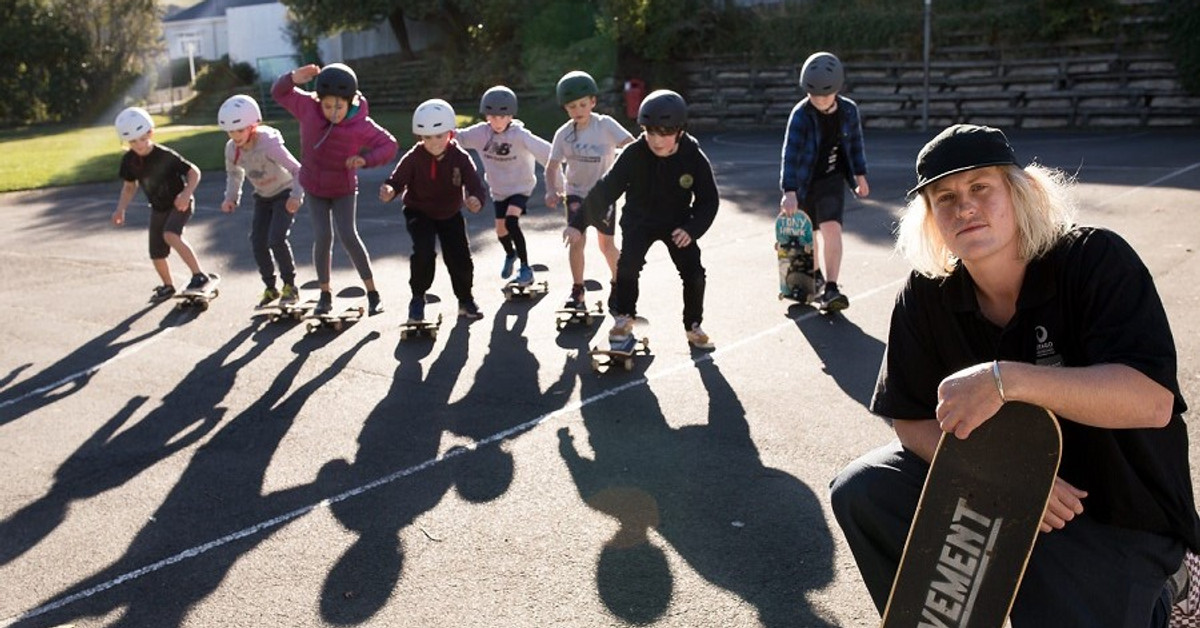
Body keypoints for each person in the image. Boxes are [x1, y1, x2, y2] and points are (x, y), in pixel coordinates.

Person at [829, 124, 1200, 627]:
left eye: (981, 187)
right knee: (866, 490)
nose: (964, 207)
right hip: (1011, 498)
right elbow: (911, 419)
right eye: (945, 197)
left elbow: (1150, 401)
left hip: (1121, 513)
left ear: (1019, 192)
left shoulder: (1094, 260)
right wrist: (1010, 481)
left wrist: (1006, 378)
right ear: (931, 219)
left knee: (1049, 588)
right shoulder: (926, 295)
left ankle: (1167, 589)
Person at [564, 90, 719, 350]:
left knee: (694, 273)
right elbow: (605, 190)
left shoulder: (693, 157)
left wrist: (692, 229)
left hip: (677, 223)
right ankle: (624, 318)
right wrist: (577, 223)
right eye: (650, 132)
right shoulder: (634, 154)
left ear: (680, 130)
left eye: (664, 133)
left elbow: (708, 201)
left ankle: (693, 325)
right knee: (627, 267)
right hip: (639, 221)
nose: (656, 140)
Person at [272, 62, 397, 316]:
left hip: (343, 189)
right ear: (318, 100)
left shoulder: (360, 124)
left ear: (350, 102)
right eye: (327, 105)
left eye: (339, 106)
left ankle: (372, 292)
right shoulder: (308, 108)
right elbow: (279, 93)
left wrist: (365, 160)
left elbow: (390, 145)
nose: (333, 112)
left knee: (348, 236)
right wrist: (293, 78)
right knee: (323, 237)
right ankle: (325, 294)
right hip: (314, 187)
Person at [379, 99, 487, 322]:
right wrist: (390, 190)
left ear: (450, 133)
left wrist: (475, 198)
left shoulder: (461, 158)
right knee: (424, 251)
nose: (434, 142)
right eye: (427, 137)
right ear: (420, 137)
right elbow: (397, 180)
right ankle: (418, 298)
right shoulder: (414, 157)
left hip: (450, 213)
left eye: (439, 136)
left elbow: (475, 184)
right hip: (419, 211)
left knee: (460, 257)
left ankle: (465, 299)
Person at [778, 51, 869, 312]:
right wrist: (789, 191)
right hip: (804, 183)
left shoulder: (849, 111)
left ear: (837, 89)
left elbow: (855, 145)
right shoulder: (800, 114)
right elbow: (790, 154)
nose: (818, 99)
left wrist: (860, 176)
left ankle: (831, 287)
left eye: (825, 95)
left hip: (831, 180)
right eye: (813, 94)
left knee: (832, 230)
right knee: (808, 235)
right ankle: (813, 275)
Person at [544, 70, 635, 311]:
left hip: (604, 194)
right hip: (575, 193)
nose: (578, 110)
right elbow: (551, 167)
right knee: (576, 240)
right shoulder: (563, 134)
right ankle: (577, 290)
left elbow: (632, 147)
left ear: (593, 102)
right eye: (572, 106)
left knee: (606, 245)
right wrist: (551, 191)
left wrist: (628, 173)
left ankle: (618, 285)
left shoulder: (605, 125)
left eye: (583, 104)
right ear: (566, 109)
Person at [110, 106, 214, 300]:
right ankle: (168, 286)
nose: (138, 145)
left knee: (170, 234)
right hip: (158, 208)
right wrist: (120, 209)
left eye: (142, 138)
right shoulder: (129, 161)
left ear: (150, 132)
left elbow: (194, 172)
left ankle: (199, 276)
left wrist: (186, 193)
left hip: (179, 203)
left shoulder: (164, 155)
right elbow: (129, 187)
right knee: (156, 252)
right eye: (132, 141)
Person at [457, 85, 552, 287]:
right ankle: (511, 254)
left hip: (521, 188)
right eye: (492, 117)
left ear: (510, 116)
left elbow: (548, 153)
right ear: (486, 117)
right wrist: (437, 130)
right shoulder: (480, 133)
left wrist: (558, 181)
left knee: (511, 221)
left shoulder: (520, 135)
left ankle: (526, 268)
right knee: (500, 231)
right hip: (499, 191)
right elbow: (458, 137)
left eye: (502, 117)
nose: (497, 122)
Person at [216, 94, 305, 307]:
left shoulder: (269, 144)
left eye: (239, 130)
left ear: (253, 125)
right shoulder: (232, 149)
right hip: (263, 197)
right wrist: (231, 197)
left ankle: (290, 287)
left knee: (276, 239)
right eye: (230, 131)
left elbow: (298, 170)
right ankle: (270, 287)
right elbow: (235, 174)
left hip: (284, 193)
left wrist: (296, 196)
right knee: (257, 242)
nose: (235, 136)